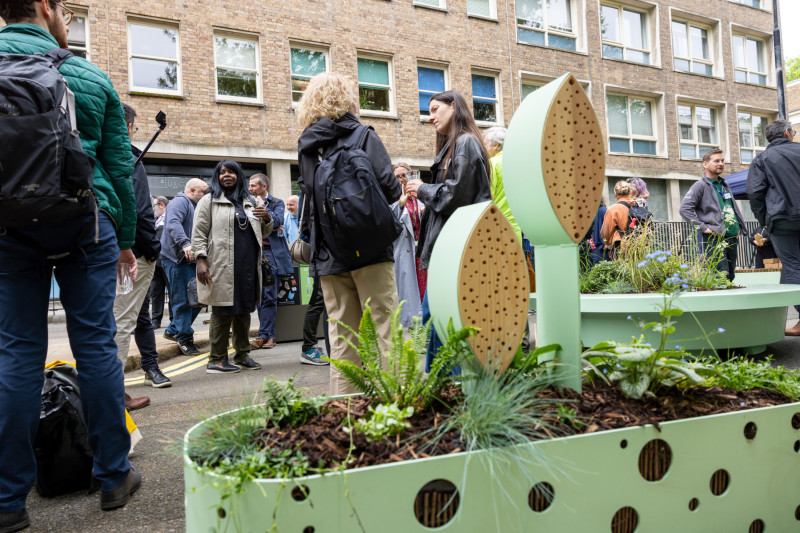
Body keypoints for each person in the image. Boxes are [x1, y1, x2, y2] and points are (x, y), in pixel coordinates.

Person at [0, 0, 141, 526]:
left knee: (15, 354)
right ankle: (112, 477)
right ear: (44, 7)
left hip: (9, 229)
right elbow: (120, 169)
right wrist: (124, 237)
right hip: (86, 224)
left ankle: (8, 501)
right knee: (96, 345)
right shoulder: (87, 75)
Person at [296, 72, 401, 393]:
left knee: (342, 336)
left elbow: (310, 197)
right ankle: (397, 407)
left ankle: (346, 413)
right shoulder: (363, 135)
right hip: (371, 248)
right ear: (347, 97)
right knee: (387, 327)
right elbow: (392, 189)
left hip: (330, 252)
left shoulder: (308, 144)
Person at [405, 90, 492, 373]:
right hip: (452, 246)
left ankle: (450, 387)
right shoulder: (456, 145)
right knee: (437, 317)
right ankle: (442, 385)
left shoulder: (465, 143)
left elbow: (456, 196)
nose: (429, 117)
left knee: (444, 319)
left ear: (453, 106)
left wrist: (422, 189)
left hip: (458, 248)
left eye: (434, 109)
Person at [113, 104, 171, 409]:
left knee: (115, 318)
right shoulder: (128, 156)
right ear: (130, 126)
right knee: (123, 320)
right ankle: (113, 394)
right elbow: (139, 210)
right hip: (129, 257)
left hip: (99, 252)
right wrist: (151, 250)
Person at [193, 161, 273, 373]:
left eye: (230, 172)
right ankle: (216, 359)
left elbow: (264, 232)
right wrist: (200, 260)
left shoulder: (248, 200)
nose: (225, 175)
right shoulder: (208, 201)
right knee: (222, 310)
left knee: (244, 310)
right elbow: (199, 232)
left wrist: (267, 218)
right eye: (221, 172)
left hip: (247, 264)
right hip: (220, 265)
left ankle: (242, 355)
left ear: (238, 175)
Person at [746, 120, 800, 335]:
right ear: (787, 132)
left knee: (793, 265)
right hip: (783, 218)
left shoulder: (762, 159)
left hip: (781, 219)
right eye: (793, 131)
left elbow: (755, 193)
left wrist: (764, 220)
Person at [680, 148, 746, 282]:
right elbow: (684, 209)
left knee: (730, 276)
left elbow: (731, 207)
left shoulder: (724, 184)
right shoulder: (700, 185)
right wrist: (704, 228)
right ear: (705, 164)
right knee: (719, 277)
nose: (720, 164)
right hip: (713, 238)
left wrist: (738, 226)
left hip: (732, 236)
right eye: (716, 161)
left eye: (722, 161)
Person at [160, 178, 208, 354]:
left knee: (198, 298)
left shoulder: (194, 205)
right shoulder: (180, 201)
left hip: (191, 260)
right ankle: (185, 338)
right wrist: (185, 243)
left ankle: (174, 330)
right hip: (178, 259)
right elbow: (173, 224)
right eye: (203, 192)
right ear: (193, 190)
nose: (205, 195)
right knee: (183, 300)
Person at [248, 174, 293, 351]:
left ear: (264, 186)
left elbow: (279, 222)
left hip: (270, 255)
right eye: (249, 186)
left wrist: (266, 213)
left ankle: (262, 336)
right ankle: (269, 336)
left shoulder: (276, 202)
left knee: (268, 295)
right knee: (261, 297)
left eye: (253, 186)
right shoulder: (248, 202)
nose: (250, 189)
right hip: (254, 253)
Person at [391, 165, 422, 328]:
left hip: (421, 249)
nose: (402, 179)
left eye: (404, 175)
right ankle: (411, 326)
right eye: (397, 176)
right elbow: (389, 223)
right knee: (408, 291)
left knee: (422, 289)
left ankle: (422, 328)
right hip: (404, 251)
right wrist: (400, 204)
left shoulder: (419, 197)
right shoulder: (390, 198)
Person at [483, 127, 523, 245]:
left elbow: (487, 197)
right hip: (515, 228)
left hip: (497, 226)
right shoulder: (517, 163)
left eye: (484, 145)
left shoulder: (492, 164)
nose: (483, 149)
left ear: (495, 145)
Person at [149, 196, 172, 329]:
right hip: (155, 262)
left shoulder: (169, 218)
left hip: (167, 260)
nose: (153, 208)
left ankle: (173, 320)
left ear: (162, 205)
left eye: (155, 205)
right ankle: (156, 320)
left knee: (171, 291)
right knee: (156, 291)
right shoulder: (156, 220)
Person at [600, 181, 637, 256]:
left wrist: (606, 242)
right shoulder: (637, 205)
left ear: (616, 194)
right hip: (638, 245)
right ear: (630, 192)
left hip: (620, 245)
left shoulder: (613, 209)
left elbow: (605, 233)